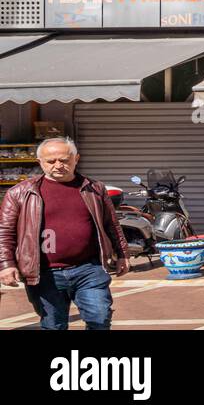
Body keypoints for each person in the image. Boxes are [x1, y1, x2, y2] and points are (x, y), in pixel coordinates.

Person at [0, 136, 130, 331]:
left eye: (64, 160)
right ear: (40, 162)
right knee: (54, 325)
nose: (58, 165)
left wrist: (123, 254)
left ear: (76, 159)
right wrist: (6, 264)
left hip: (88, 268)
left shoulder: (94, 189)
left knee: (100, 318)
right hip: (44, 273)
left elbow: (111, 224)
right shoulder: (19, 193)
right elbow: (5, 232)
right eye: (51, 161)